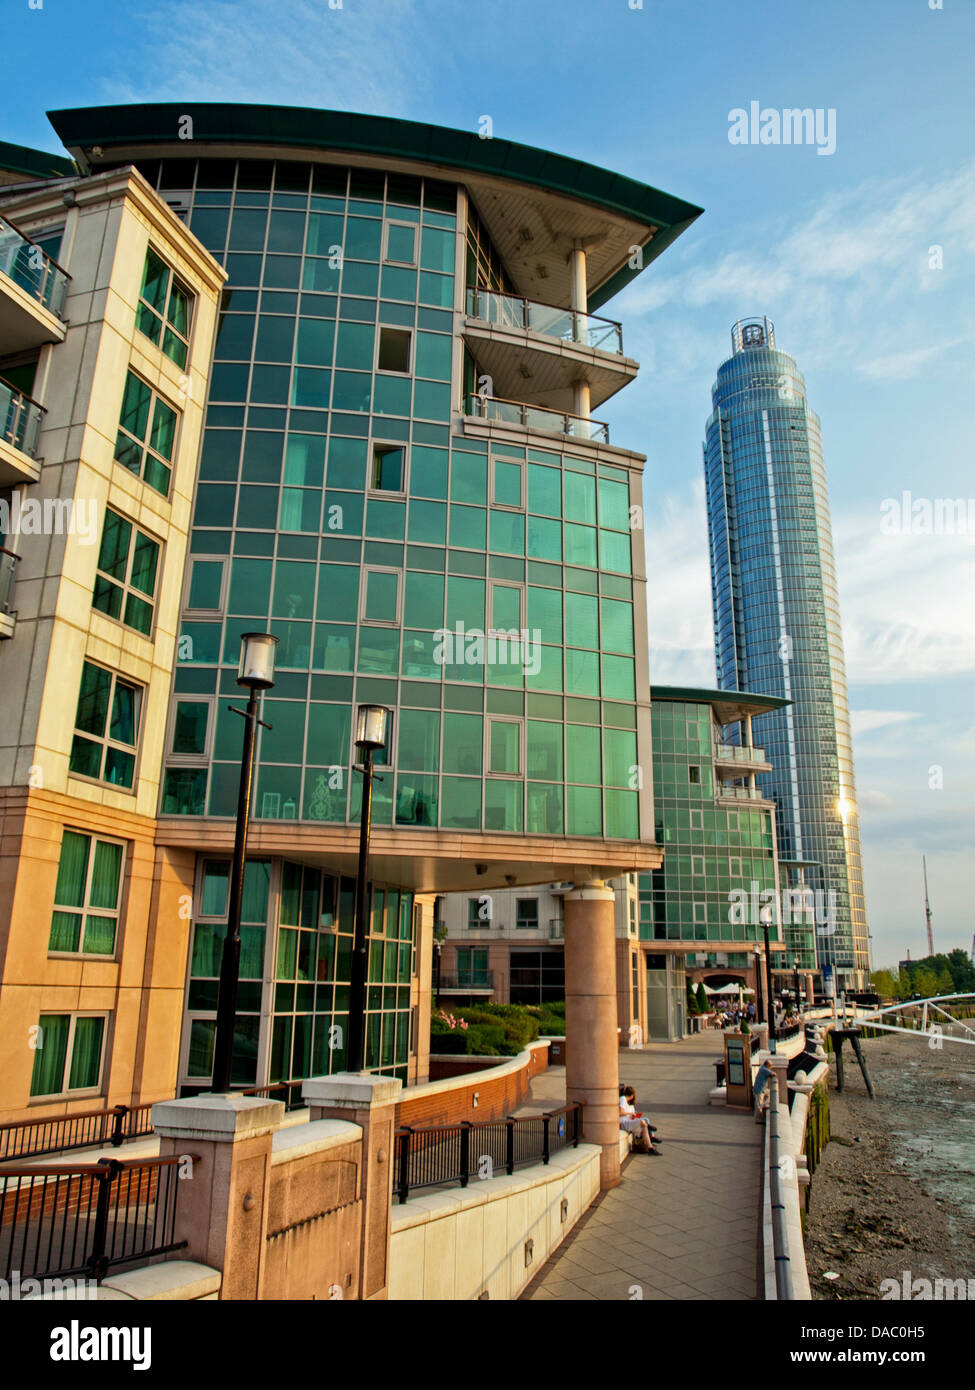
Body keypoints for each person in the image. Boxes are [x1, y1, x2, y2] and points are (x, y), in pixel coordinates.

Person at [619, 1086, 660, 1154]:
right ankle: (650, 1143)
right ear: (632, 1095)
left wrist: (632, 1116)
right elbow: (620, 1112)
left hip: (628, 1122)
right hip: (623, 1123)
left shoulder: (627, 1102)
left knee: (643, 1123)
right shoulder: (623, 1099)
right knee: (643, 1122)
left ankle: (650, 1147)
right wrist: (631, 1113)